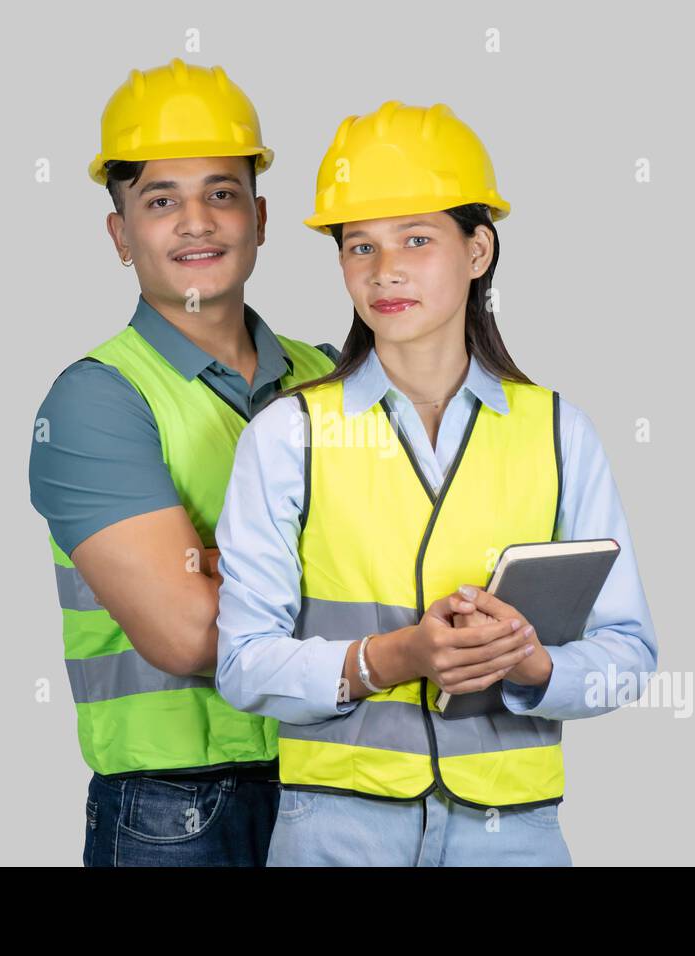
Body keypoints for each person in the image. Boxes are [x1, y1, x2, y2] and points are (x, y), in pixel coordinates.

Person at [213, 100, 658, 866]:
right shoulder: (289, 435)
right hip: (335, 828)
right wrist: (392, 659)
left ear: (478, 250)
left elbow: (630, 655)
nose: (384, 271)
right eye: (360, 246)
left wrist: (535, 668)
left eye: (416, 239)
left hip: (512, 832)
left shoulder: (557, 431)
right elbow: (243, 663)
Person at [28, 59, 338, 866]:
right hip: (176, 810)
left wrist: (227, 567)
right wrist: (389, 624)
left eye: (221, 193)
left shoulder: (332, 376)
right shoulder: (96, 402)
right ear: (120, 234)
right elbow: (190, 631)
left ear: (261, 218)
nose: (196, 221)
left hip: (344, 779)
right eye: (161, 201)